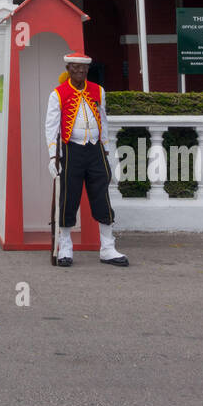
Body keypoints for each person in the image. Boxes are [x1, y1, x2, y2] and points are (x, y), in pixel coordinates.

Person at [44, 51, 128, 268]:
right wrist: (53, 156)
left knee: (102, 197)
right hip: (71, 150)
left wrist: (106, 150)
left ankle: (107, 247)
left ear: (88, 69)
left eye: (83, 68)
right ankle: (65, 247)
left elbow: (104, 121)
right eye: (75, 67)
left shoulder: (98, 90)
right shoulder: (58, 94)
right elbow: (51, 126)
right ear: (68, 69)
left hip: (95, 150)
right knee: (68, 198)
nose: (80, 71)